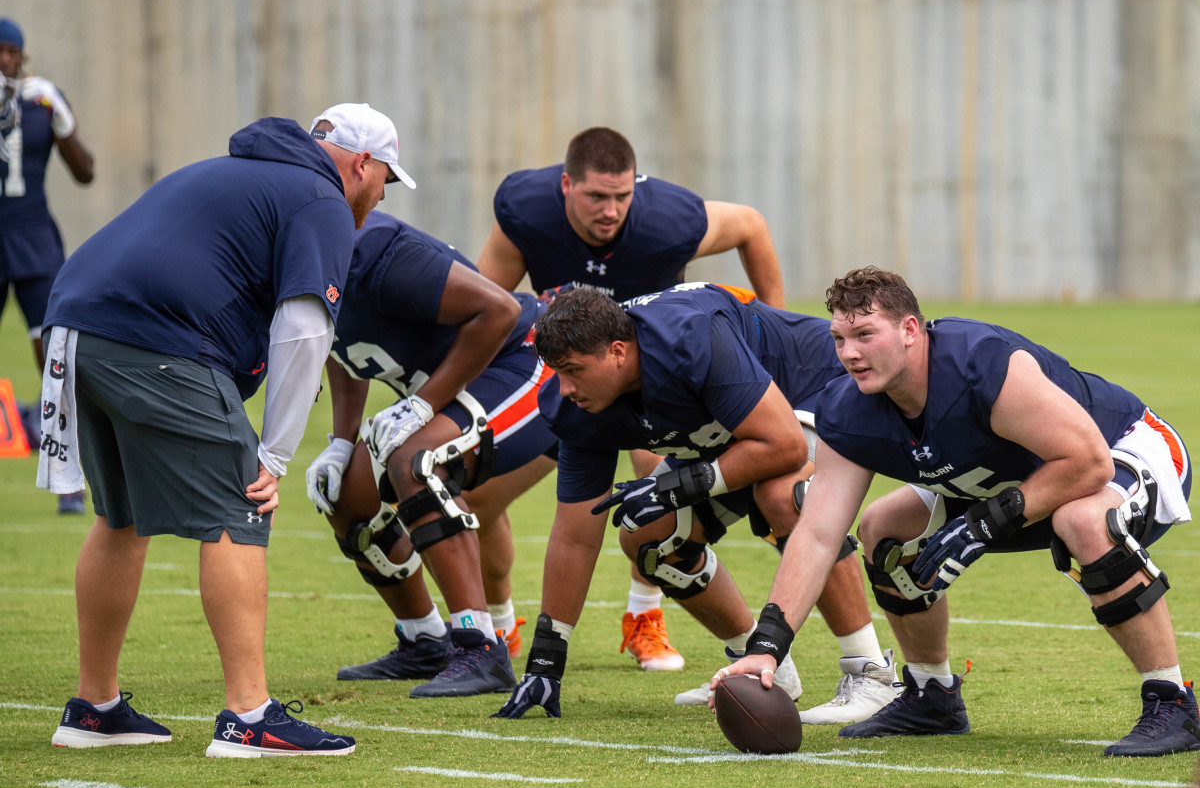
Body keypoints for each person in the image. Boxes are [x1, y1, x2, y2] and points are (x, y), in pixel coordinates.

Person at [39, 102, 407, 756]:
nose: (382, 196)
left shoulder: (235, 172)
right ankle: (249, 716)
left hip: (75, 327)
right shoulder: (319, 198)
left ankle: (93, 708)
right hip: (154, 337)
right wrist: (274, 456)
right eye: (386, 179)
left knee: (118, 517)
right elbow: (304, 328)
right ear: (360, 164)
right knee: (245, 505)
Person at [721, 266, 1197, 757]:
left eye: (865, 334)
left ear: (910, 330)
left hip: (1120, 449)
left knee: (1083, 521)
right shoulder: (845, 408)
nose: (849, 354)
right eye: (839, 338)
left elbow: (1088, 463)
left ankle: (1172, 701)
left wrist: (984, 523)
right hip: (997, 478)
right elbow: (818, 534)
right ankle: (932, 695)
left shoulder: (978, 363)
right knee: (882, 530)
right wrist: (766, 646)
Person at [493, 284, 900, 721]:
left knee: (784, 497)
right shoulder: (572, 405)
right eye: (557, 372)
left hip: (809, 391)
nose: (566, 387)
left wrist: (672, 488)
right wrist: (546, 662)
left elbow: (783, 446)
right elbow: (574, 537)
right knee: (647, 538)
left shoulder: (687, 338)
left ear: (617, 352)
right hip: (733, 431)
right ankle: (761, 667)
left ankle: (870, 672)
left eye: (574, 370)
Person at [477, 125, 786, 675]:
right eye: (597, 196)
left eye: (622, 197)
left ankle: (645, 617)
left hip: (656, 385)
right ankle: (496, 628)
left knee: (653, 480)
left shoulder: (669, 219)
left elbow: (751, 226)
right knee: (479, 496)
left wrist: (774, 323)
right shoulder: (525, 209)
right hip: (570, 383)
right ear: (566, 186)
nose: (611, 210)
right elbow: (490, 311)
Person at [304, 209, 558, 696]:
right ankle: (424, 641)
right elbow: (344, 347)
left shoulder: (375, 248)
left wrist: (420, 405)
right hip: (454, 388)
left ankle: (481, 647)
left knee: (417, 461)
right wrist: (341, 441)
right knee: (347, 496)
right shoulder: (299, 256)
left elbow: (500, 310)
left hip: (523, 358)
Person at [0, 16, 93, 513]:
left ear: (22, 56)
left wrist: (62, 119)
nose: (4, 61)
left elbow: (85, 172)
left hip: (34, 239)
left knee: (55, 356)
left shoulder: (40, 99)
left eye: (11, 52)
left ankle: (69, 479)